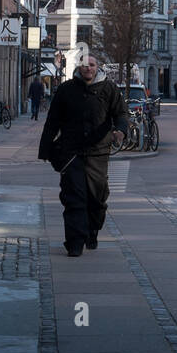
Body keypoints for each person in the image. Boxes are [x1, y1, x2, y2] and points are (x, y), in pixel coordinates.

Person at [36, 55, 128, 256]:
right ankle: (75, 242)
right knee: (74, 198)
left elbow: (121, 114)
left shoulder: (109, 89)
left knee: (97, 199)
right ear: (79, 68)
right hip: (72, 152)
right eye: (84, 65)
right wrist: (45, 149)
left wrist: (120, 130)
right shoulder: (66, 89)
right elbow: (53, 121)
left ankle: (92, 230)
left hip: (98, 152)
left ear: (97, 68)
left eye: (92, 65)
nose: (88, 68)